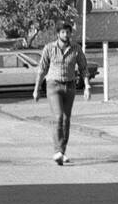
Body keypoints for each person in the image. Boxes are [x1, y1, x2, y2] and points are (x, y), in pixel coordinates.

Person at [33, 19, 90, 165]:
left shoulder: (76, 48)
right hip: (53, 86)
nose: (66, 34)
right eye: (63, 32)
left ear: (70, 33)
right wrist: (37, 89)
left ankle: (62, 152)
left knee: (66, 120)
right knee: (58, 117)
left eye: (68, 32)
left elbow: (83, 67)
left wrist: (87, 86)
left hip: (70, 87)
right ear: (58, 34)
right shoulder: (49, 48)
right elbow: (42, 69)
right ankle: (57, 150)